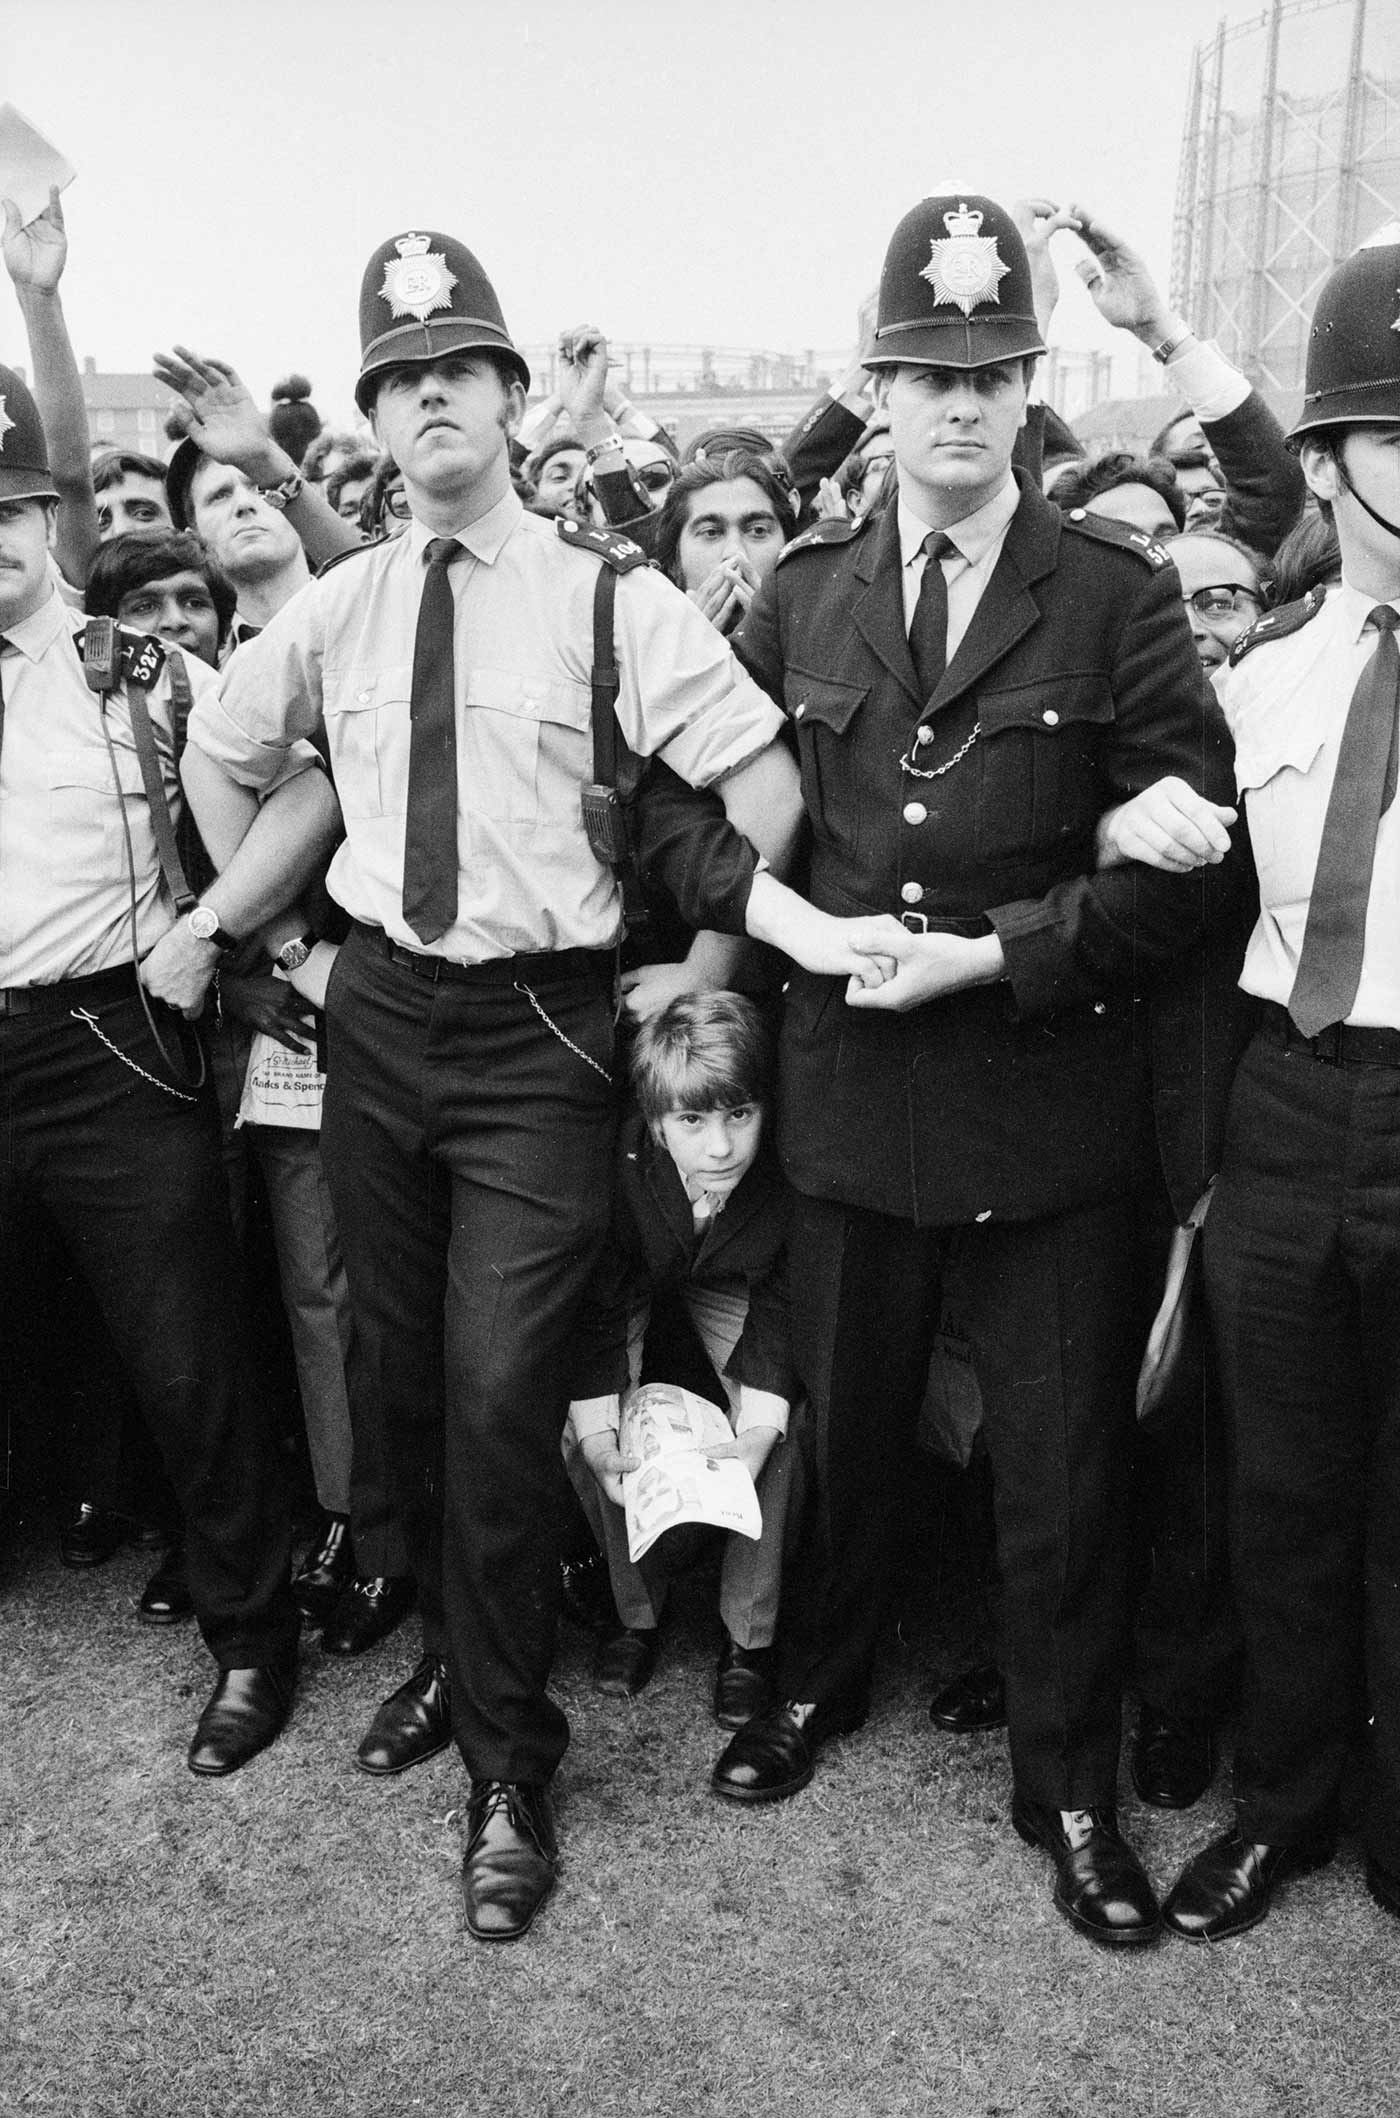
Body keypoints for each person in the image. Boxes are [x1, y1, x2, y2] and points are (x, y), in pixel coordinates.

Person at [176, 226, 866, 1945]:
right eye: (397, 380)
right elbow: (233, 754)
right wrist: (279, 945)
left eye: (454, 371)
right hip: (383, 1018)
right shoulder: (336, 602)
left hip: (543, 1037)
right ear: (381, 413)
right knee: (404, 1382)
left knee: (496, 1394)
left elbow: (764, 778)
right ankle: (459, 1662)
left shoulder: (611, 598)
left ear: (502, 395)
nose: (428, 401)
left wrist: (704, 973)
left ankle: (508, 1759)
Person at [693, 192, 1237, 1950]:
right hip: (854, 1096)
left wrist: (1006, 948)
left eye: (994, 371)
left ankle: (1069, 1782)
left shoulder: (1116, 597)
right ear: (873, 382)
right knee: (847, 1427)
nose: (960, 404)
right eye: (928, 370)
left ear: (1029, 386)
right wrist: (776, 913)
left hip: (1042, 1100)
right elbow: (688, 822)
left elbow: (1191, 869)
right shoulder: (801, 595)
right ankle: (816, 1680)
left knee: (1063, 1466)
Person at [0, 364, 340, 1775]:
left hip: (101, 1039)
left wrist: (211, 925)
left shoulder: (140, 667)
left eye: (8, 510)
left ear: (48, 518)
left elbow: (311, 781)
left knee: (188, 1354)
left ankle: (253, 1635)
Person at [1161, 233, 1400, 1942]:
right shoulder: (1276, 667)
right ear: (1331, 464)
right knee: (1289, 1481)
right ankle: (1291, 1797)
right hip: (1294, 1096)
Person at [566, 993, 799, 1730]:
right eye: (693, 1121)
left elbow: (785, 1299)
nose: (722, 1147)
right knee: (588, 1439)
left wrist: (758, 1417)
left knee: (784, 1428)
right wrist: (601, 1426)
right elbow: (597, 1300)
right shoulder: (615, 1162)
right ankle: (636, 1614)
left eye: (740, 1115)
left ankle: (748, 1639)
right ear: (657, 1121)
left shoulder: (793, 1161)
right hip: (630, 1277)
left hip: (741, 1278)